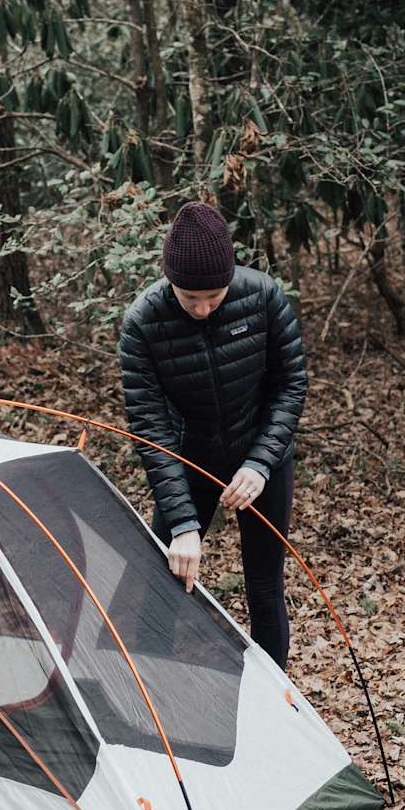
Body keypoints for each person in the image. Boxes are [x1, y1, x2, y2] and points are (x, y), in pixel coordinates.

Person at [118, 202, 307, 669]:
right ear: (170, 284)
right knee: (161, 578)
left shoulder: (262, 296)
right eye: (189, 299)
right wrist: (183, 523)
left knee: (264, 584)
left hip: (262, 462)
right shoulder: (143, 322)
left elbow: (290, 385)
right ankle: (148, 698)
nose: (202, 310)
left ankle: (273, 703)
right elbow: (150, 426)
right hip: (190, 460)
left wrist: (261, 461)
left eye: (214, 298)